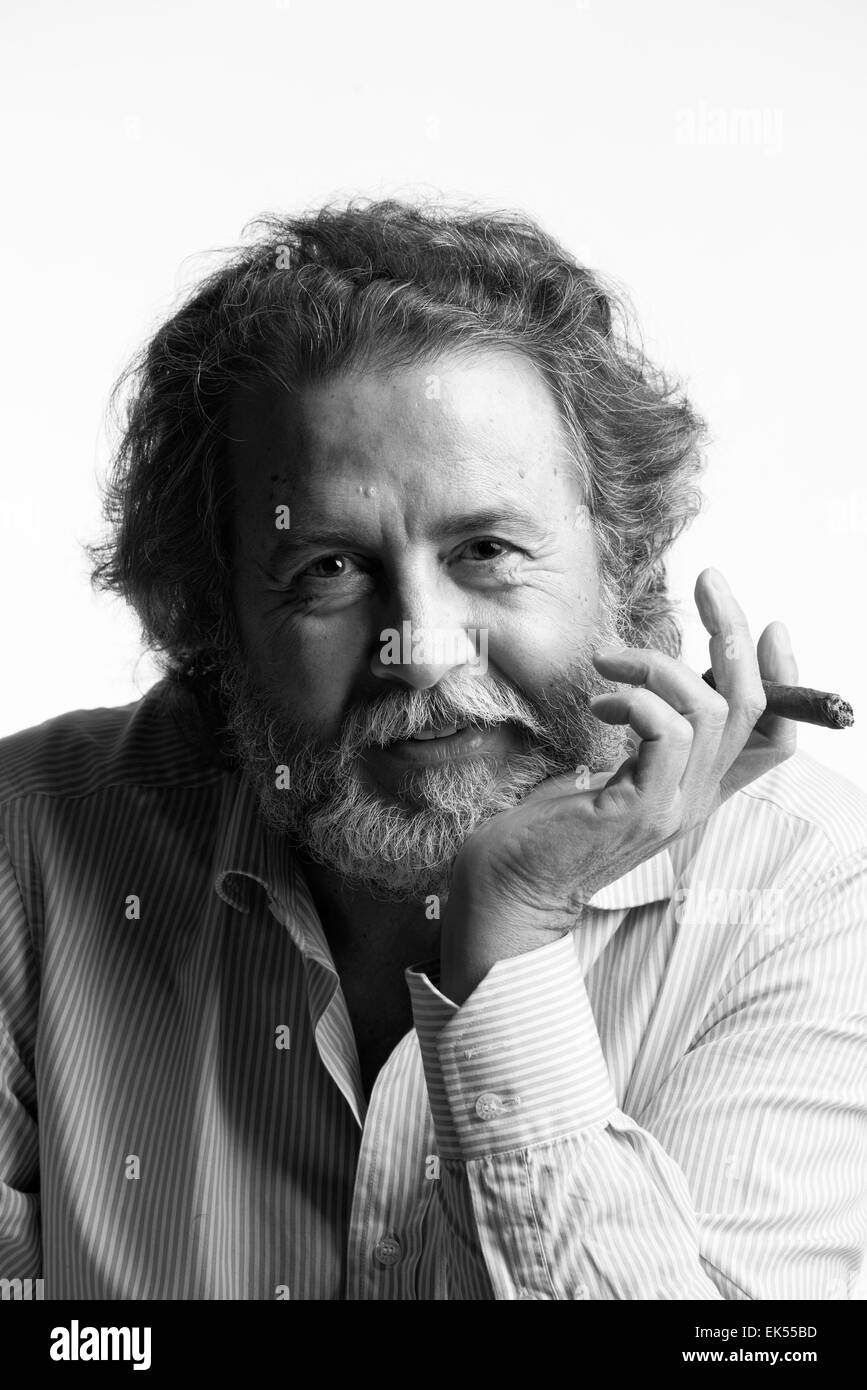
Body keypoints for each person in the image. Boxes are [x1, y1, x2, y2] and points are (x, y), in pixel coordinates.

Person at [1, 200, 865, 1300]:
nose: (420, 647)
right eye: (327, 568)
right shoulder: (24, 844)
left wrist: (510, 936)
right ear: (213, 615)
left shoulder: (810, 887)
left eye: (490, 548)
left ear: (627, 559)